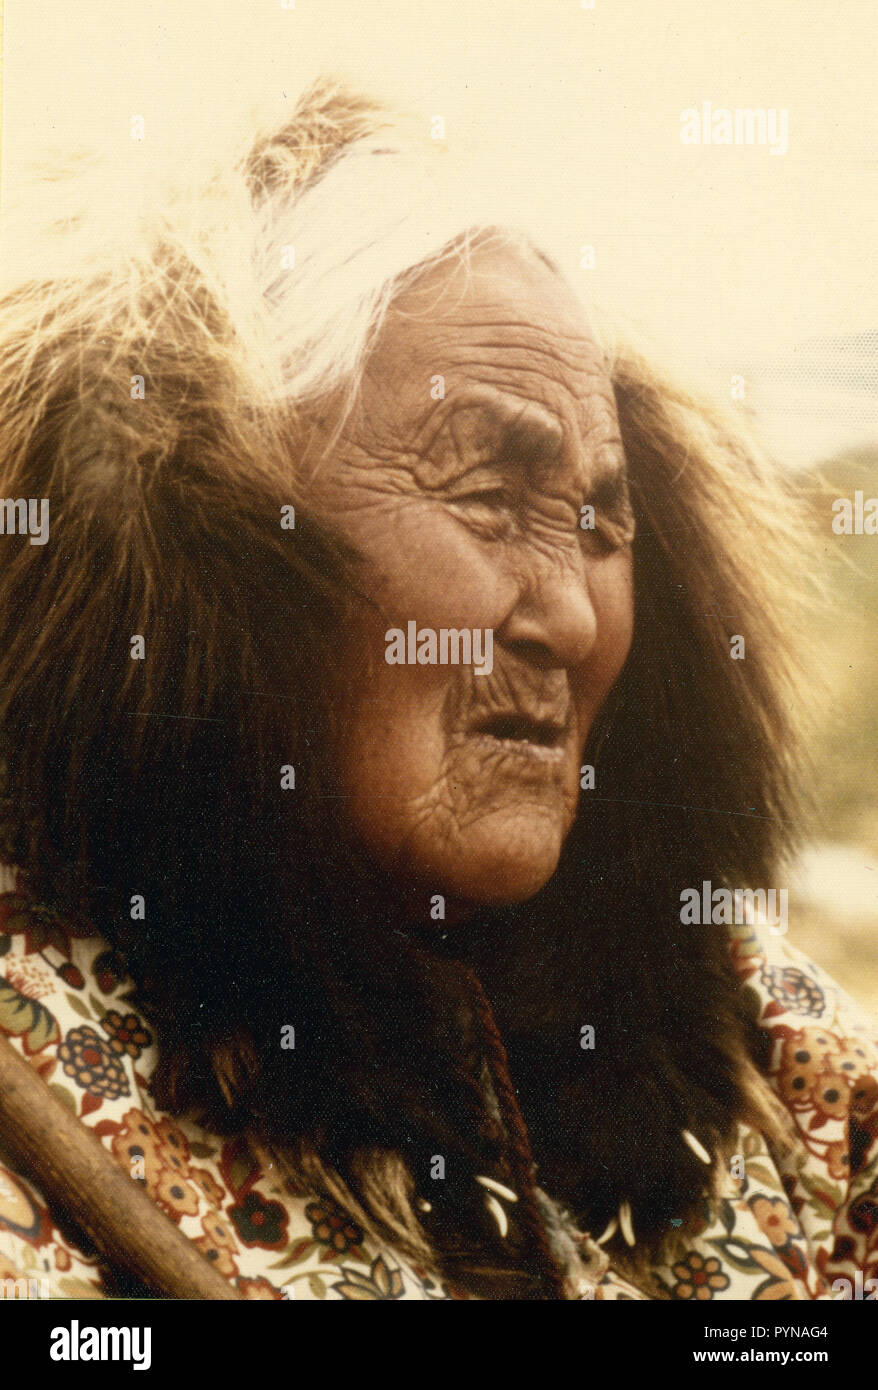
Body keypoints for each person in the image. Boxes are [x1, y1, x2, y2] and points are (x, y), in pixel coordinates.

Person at [0, 77, 875, 1302]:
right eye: (483, 494)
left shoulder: (766, 1066)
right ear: (226, 530)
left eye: (603, 521)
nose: (569, 616)